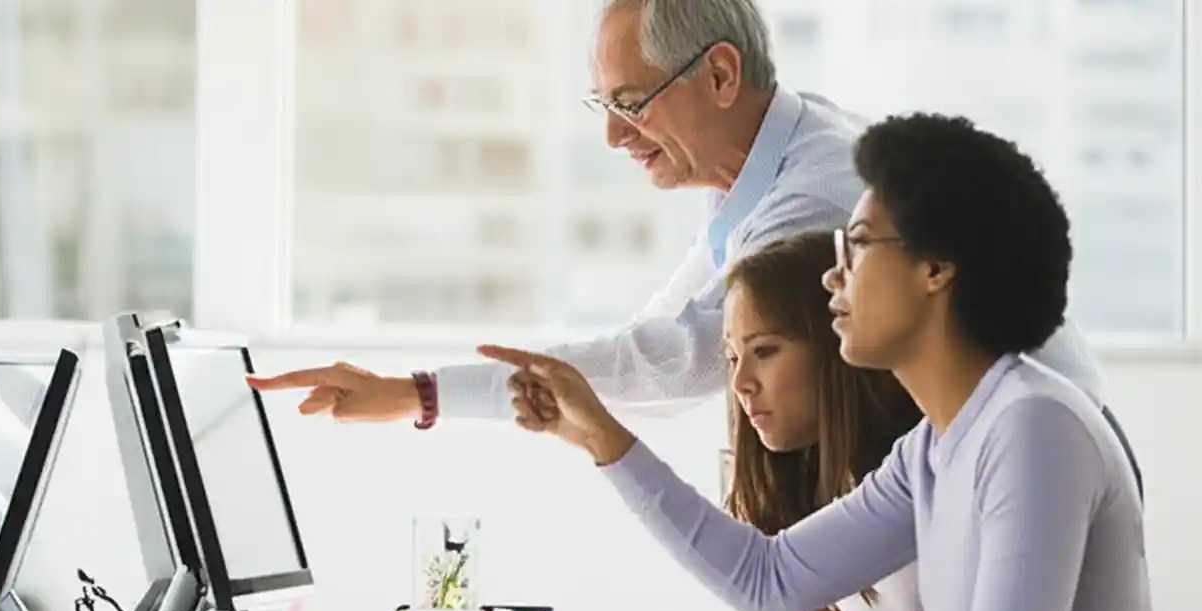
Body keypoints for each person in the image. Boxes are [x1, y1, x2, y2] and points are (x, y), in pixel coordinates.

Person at [479, 113, 1158, 611]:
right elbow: (767, 577)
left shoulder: (1033, 426)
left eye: (857, 245)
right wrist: (602, 437)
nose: (834, 277)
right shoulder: (938, 444)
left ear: (936, 268)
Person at [247, 0, 1102, 435]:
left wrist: (419, 395)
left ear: (722, 76)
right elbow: (654, 345)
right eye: (602, 105)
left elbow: (673, 363)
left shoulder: (814, 193)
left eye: (633, 103)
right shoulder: (761, 174)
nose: (616, 136)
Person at [594, 229, 942, 611]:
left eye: (765, 350)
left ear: (837, 341)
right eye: (733, 358)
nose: (741, 384)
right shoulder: (842, 480)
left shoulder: (932, 467)